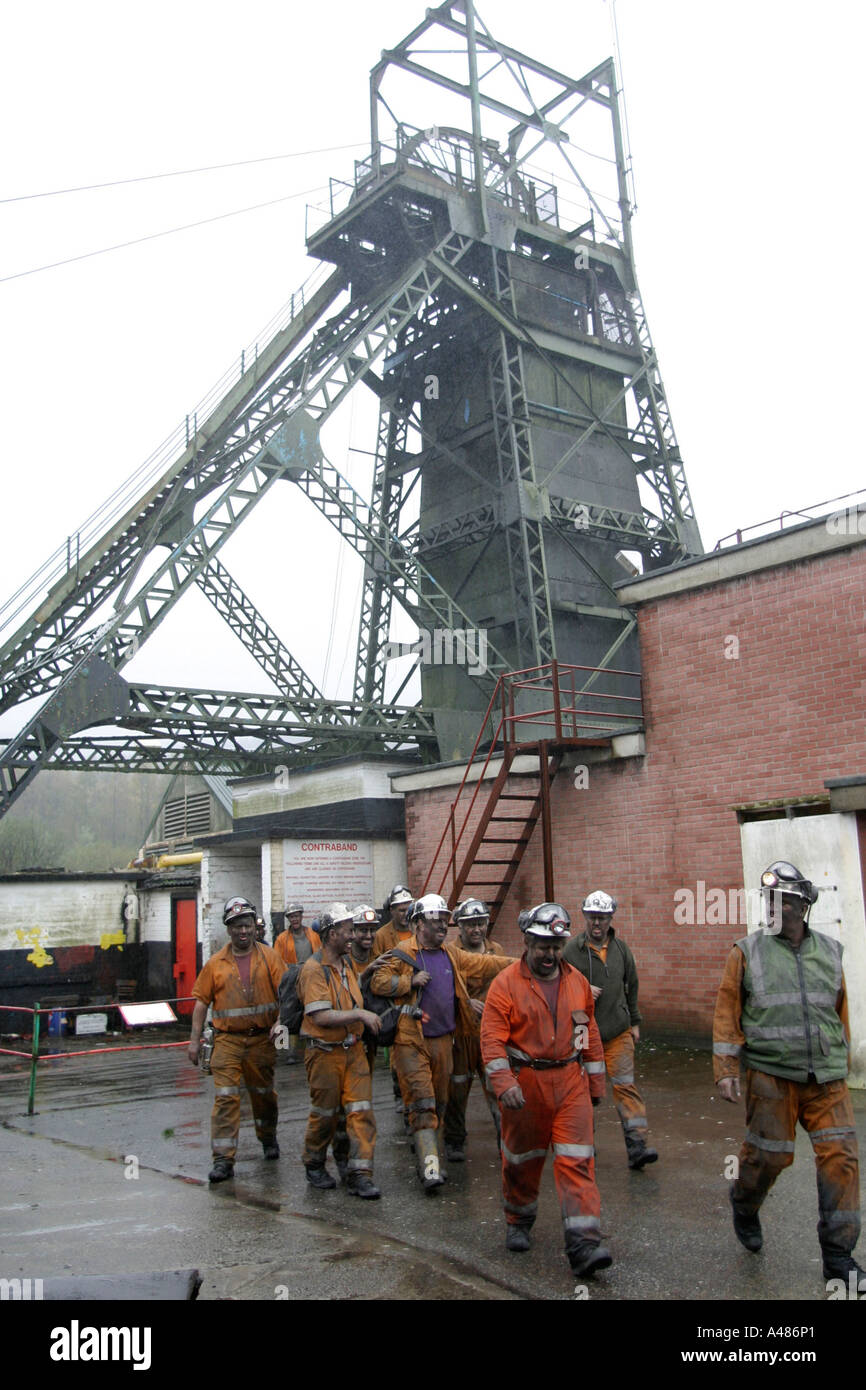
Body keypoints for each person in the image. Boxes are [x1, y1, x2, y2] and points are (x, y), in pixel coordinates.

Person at [713, 860, 863, 1282]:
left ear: (803, 906)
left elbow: (840, 1012)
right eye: (769, 900)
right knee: (769, 1157)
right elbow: (727, 1012)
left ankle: (838, 1258)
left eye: (783, 901)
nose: (774, 908)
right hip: (771, 1076)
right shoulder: (746, 952)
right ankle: (745, 1204)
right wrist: (726, 1068)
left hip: (826, 1081)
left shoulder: (831, 952)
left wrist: (842, 1059)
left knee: (842, 1160)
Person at [481, 902, 612, 1278]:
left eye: (556, 947)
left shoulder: (577, 983)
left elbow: (587, 1034)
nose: (550, 954)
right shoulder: (506, 984)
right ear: (527, 941)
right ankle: (518, 1219)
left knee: (578, 1161)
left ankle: (585, 1243)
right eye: (542, 946)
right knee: (522, 1160)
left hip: (571, 1083)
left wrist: (595, 1081)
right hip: (526, 1086)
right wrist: (504, 1083)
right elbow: (491, 1040)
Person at [369, 893, 512, 1191]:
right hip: (411, 1041)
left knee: (441, 1105)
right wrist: (409, 981)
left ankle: (436, 1160)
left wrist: (523, 962)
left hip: (445, 1041)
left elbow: (485, 965)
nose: (443, 927)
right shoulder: (401, 952)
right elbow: (377, 982)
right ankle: (430, 1170)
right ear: (419, 923)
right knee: (422, 1106)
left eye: (445, 921)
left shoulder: (450, 954)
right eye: (436, 921)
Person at [188, 896, 286, 1183]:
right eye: (237, 927)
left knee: (263, 1095)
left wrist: (281, 1023)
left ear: (255, 928)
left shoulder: (270, 958)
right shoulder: (215, 963)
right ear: (228, 929)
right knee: (226, 1098)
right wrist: (194, 1041)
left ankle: (268, 1138)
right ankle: (223, 1159)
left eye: (247, 926)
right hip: (227, 1041)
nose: (243, 932)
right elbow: (200, 1004)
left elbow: (288, 994)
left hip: (261, 1041)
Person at [562, 890, 657, 1170]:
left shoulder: (621, 950)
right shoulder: (570, 951)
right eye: (592, 918)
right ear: (585, 918)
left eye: (602, 919)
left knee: (626, 1085)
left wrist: (635, 1023)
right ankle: (584, 1147)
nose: (596, 924)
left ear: (610, 919)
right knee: (583, 1092)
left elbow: (633, 985)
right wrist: (580, 990)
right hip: (582, 1035)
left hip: (618, 1031)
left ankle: (637, 1145)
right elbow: (557, 987)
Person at [298, 902, 383, 1198]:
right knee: (326, 1114)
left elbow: (349, 995)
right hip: (324, 1054)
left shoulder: (345, 964)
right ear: (332, 934)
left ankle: (360, 1173)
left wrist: (367, 975)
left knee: (360, 1111)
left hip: (353, 1051)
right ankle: (315, 1163)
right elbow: (320, 1016)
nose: (353, 936)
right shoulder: (313, 970)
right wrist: (361, 1016)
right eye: (348, 931)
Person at [443, 898, 504, 1162]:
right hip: (462, 1033)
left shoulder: (496, 950)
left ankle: (507, 1140)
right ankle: (455, 1139)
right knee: (457, 1088)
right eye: (470, 925)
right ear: (460, 927)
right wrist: (466, 1002)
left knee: (498, 1087)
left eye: (480, 924)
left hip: (491, 1034)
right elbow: (445, 990)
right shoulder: (450, 952)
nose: (476, 929)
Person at [274, 902, 321, 1064]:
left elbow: (320, 953)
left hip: (311, 975)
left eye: (296, 916)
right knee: (289, 1013)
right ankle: (288, 1051)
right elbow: (277, 961)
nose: (294, 919)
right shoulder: (282, 939)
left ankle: (312, 1047)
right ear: (288, 919)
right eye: (291, 917)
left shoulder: (313, 935)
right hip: (291, 977)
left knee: (312, 1009)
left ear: (301, 916)